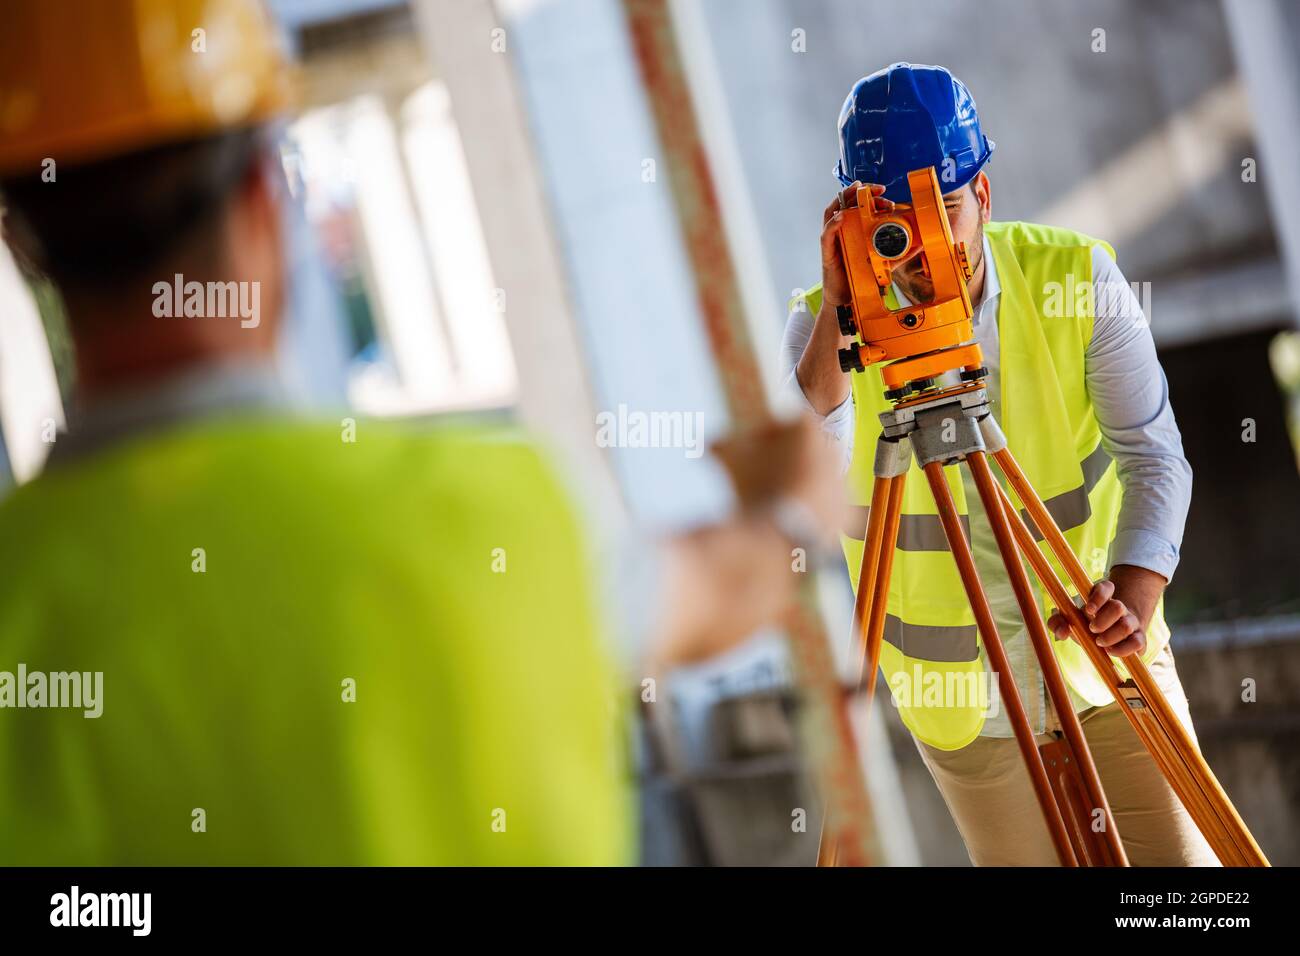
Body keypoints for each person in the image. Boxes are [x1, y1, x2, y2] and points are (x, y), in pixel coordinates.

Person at [0, 0, 839, 865]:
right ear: (262, 193)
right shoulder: (482, 517)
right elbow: (720, 589)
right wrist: (795, 507)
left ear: (22, 241)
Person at [784, 62, 1216, 866]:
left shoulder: (1076, 279)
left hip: (1103, 663)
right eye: (891, 218)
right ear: (847, 217)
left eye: (941, 207)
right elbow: (807, 484)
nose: (922, 242)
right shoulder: (824, 331)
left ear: (982, 194)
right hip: (961, 704)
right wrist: (846, 309)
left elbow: (1154, 455)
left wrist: (1137, 588)